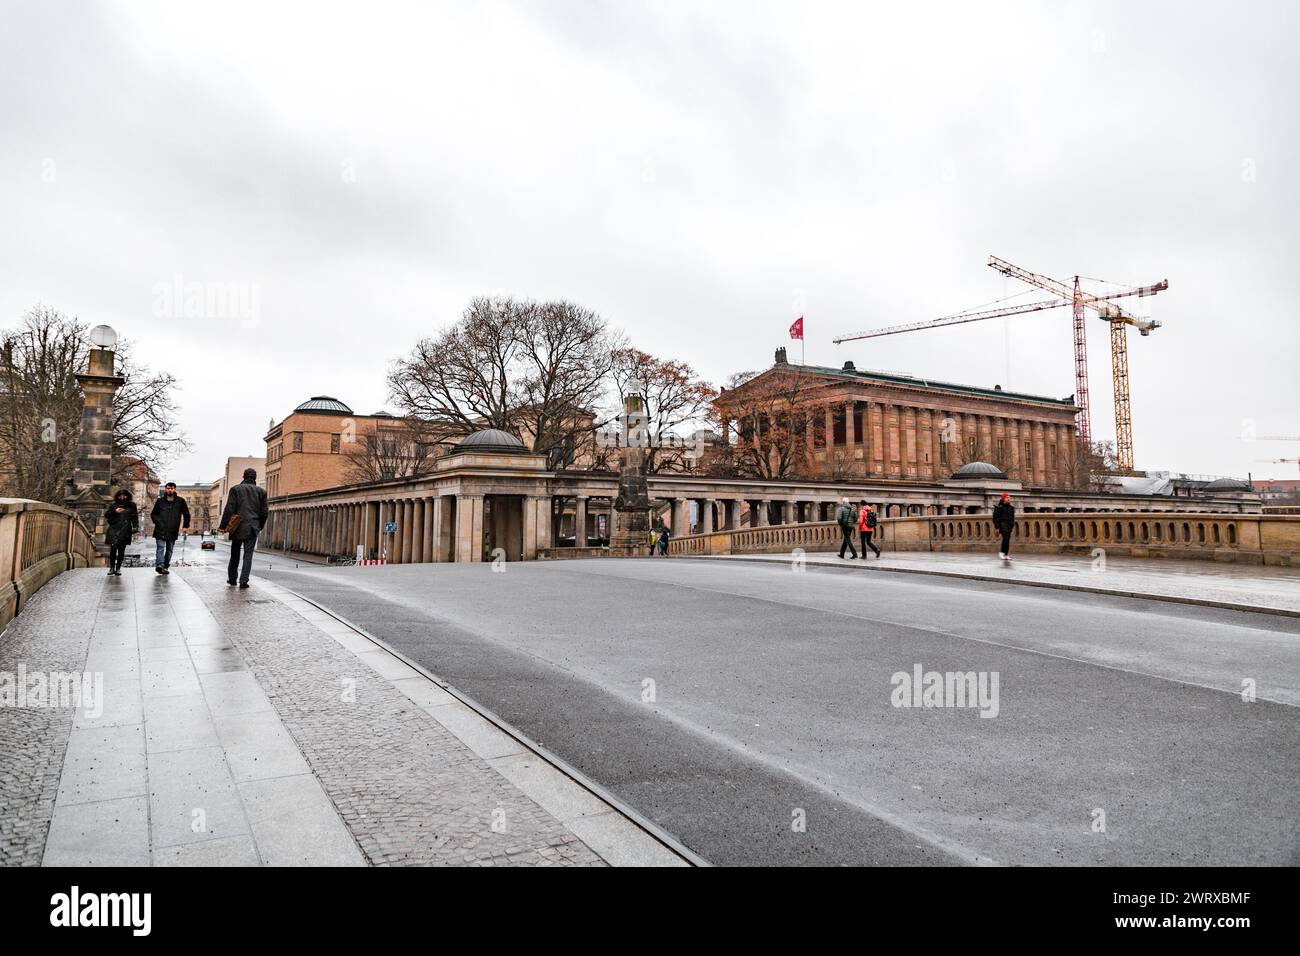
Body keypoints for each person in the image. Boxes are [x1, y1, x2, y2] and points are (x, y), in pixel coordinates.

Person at [220, 467, 269, 588]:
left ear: (244, 476)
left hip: (237, 526)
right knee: (248, 554)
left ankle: (232, 579)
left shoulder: (235, 489)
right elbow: (264, 512)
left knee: (235, 553)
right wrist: (259, 526)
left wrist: (223, 525)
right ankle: (244, 580)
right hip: (253, 527)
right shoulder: (261, 492)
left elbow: (229, 509)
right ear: (255, 478)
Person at [150, 481, 191, 575]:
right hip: (160, 529)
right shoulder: (160, 501)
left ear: (174, 489)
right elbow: (153, 514)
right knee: (160, 548)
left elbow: (186, 514)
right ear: (165, 489)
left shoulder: (180, 501)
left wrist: (185, 526)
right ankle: (159, 565)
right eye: (168, 488)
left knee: (169, 549)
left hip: (173, 529)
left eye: (171, 488)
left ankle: (165, 566)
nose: (170, 490)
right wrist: (158, 523)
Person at [103, 488, 138, 576]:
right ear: (118, 496)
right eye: (120, 495)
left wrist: (135, 527)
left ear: (127, 496)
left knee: (122, 550)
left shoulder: (132, 505)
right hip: (114, 528)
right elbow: (106, 515)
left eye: (124, 495)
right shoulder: (114, 504)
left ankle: (118, 568)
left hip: (125, 529)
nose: (122, 497)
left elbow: (134, 517)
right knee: (113, 549)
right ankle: (111, 568)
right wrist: (115, 511)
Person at [993, 492, 1016, 562]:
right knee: (1005, 538)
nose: (1009, 499)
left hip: (1009, 525)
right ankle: (1001, 553)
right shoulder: (999, 507)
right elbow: (995, 518)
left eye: (1009, 498)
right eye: (1007, 498)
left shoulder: (1011, 508)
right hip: (1002, 525)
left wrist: (1012, 524)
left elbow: (1012, 517)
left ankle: (1006, 554)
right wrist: (997, 527)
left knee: (1007, 539)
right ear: (1003, 499)